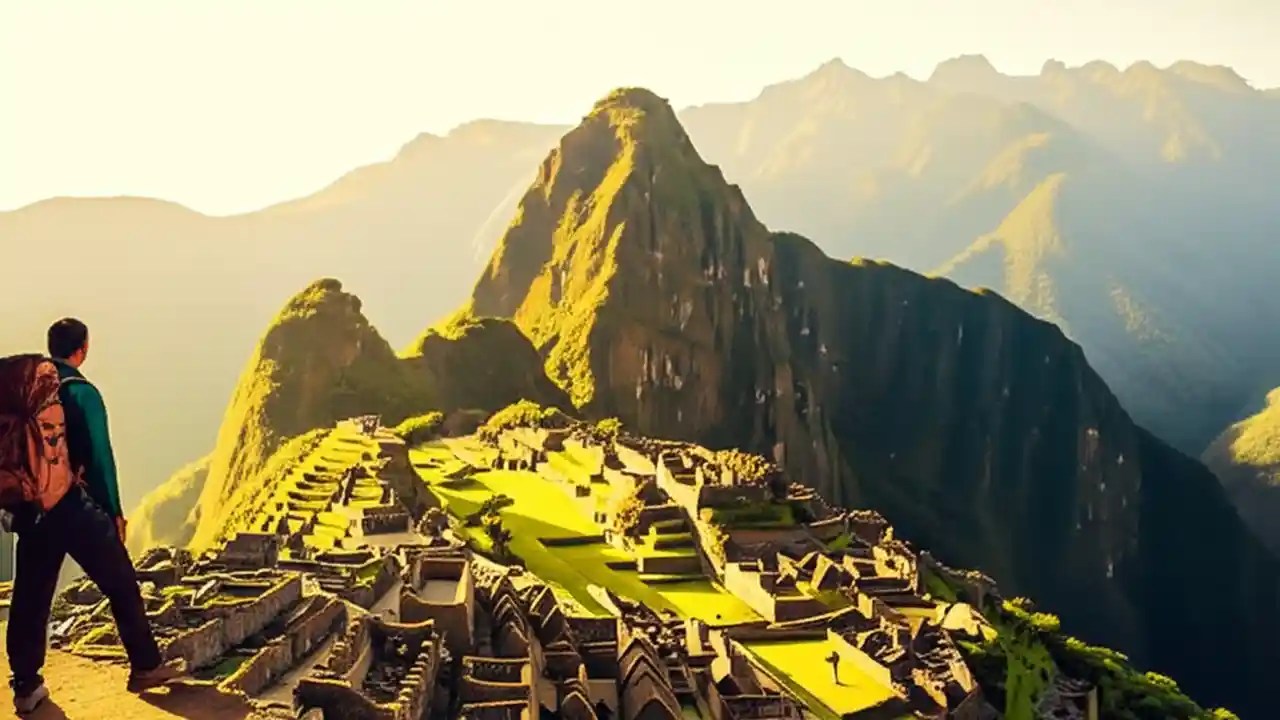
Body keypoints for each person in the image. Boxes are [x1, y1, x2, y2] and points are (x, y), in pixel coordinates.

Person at [7, 319, 183, 714]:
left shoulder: (28, 395)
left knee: (31, 596)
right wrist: (114, 511)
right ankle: (146, 666)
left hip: (32, 508)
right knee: (121, 581)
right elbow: (101, 458)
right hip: (73, 506)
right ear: (82, 349)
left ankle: (26, 686)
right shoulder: (81, 392)